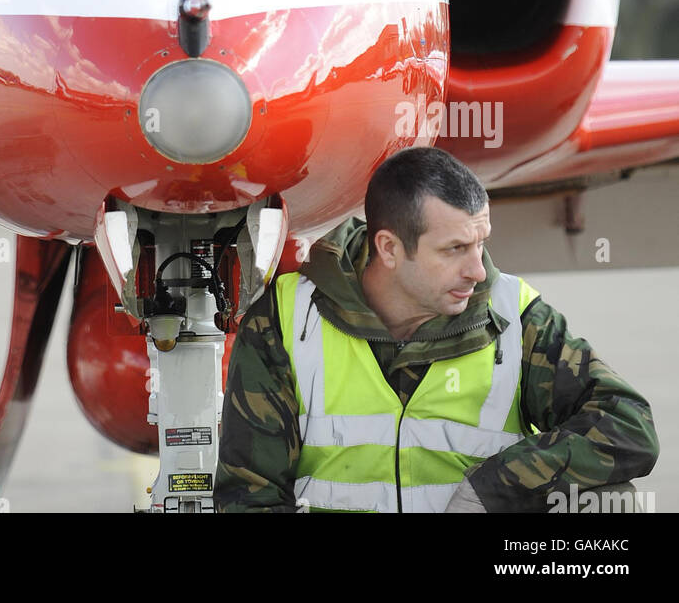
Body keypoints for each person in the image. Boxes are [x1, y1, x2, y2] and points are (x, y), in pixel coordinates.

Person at [214, 147, 659, 513]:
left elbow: (630, 427)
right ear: (388, 248)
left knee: (612, 504)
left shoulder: (513, 314)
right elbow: (248, 499)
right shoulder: (286, 320)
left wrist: (494, 488)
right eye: (455, 249)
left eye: (480, 244)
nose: (478, 271)